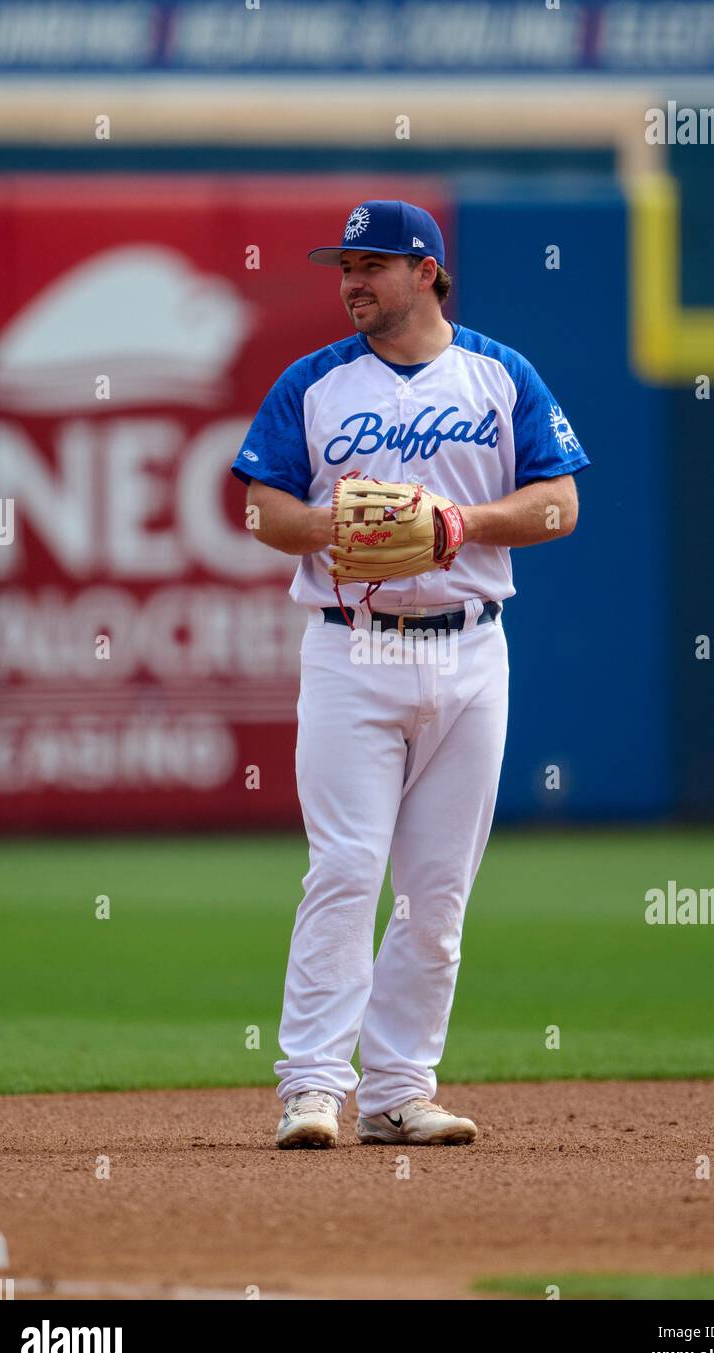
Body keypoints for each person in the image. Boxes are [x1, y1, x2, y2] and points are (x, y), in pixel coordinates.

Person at [231, 200, 591, 1148]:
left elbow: (560, 506)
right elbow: (262, 513)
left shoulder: (499, 373)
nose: (351, 281)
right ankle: (311, 1089)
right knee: (346, 870)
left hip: (473, 647)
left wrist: (461, 525)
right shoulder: (312, 383)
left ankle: (398, 1091)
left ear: (426, 270)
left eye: (372, 264)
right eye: (344, 266)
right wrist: (340, 527)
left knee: (437, 895)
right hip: (355, 646)